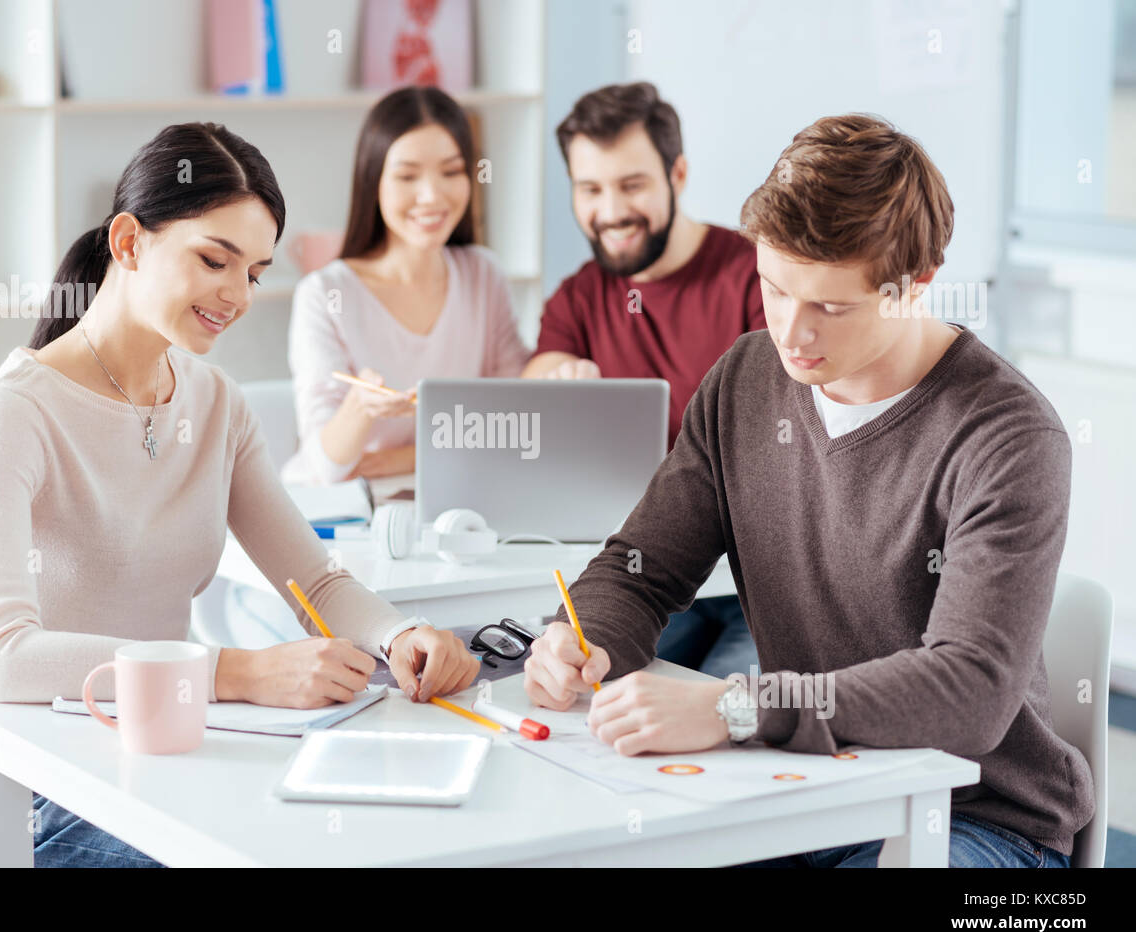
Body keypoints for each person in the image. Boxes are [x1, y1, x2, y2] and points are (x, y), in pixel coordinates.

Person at [522, 113, 1093, 868]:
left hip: (974, 816)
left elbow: (970, 690)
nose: (791, 332)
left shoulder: (1008, 435)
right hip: (803, 787)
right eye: (774, 288)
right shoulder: (745, 377)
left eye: (831, 306)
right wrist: (583, 636)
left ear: (915, 285)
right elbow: (642, 567)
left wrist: (737, 708)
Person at [0, 122, 479, 868]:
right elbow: (4, 658)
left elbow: (316, 581)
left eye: (253, 272)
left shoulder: (216, 402)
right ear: (129, 242)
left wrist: (398, 634)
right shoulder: (13, 412)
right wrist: (236, 672)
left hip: (162, 762)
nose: (236, 294)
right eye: (213, 259)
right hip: (26, 791)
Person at [524, 82, 764, 680]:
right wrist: (556, 380)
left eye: (631, 185)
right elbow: (534, 382)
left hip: (757, 585)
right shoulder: (579, 296)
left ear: (677, 174)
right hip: (649, 582)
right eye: (590, 189)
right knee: (591, 697)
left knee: (738, 720)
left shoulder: (757, 276)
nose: (610, 211)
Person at [279, 85, 531, 486]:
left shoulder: (482, 274)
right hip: (348, 508)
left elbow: (515, 422)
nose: (430, 196)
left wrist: (406, 458)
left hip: (453, 493)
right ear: (373, 181)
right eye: (407, 176)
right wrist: (361, 408)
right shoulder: (324, 294)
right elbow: (327, 465)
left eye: (451, 172)